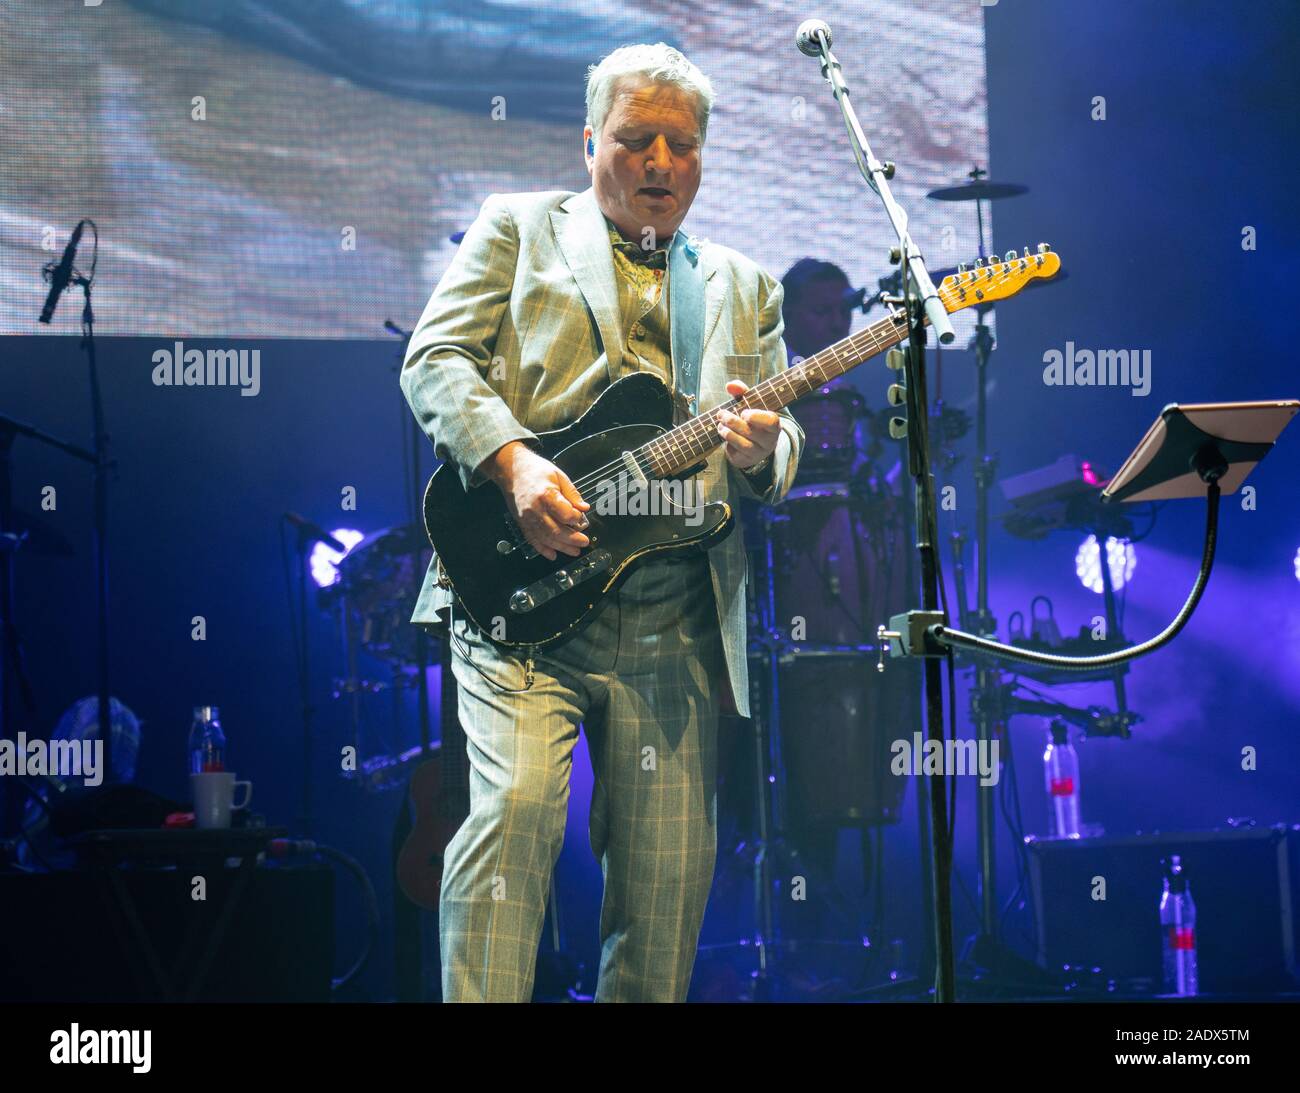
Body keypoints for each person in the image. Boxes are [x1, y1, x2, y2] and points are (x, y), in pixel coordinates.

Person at [400, 42, 803, 1002]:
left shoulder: (747, 285)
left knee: (665, 884)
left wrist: (758, 451)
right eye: (636, 141)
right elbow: (435, 359)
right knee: (516, 816)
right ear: (590, 142)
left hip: (676, 618)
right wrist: (512, 463)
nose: (660, 164)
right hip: (523, 592)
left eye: (682, 145)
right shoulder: (517, 226)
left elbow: (783, 450)